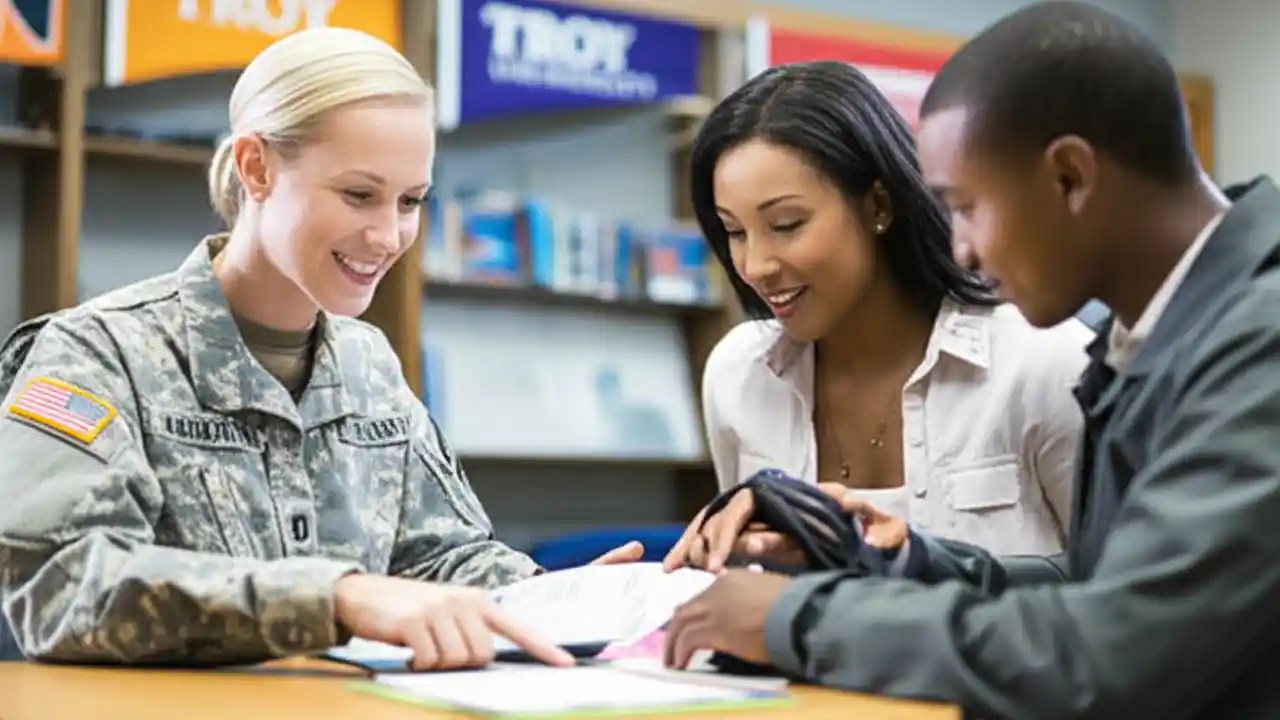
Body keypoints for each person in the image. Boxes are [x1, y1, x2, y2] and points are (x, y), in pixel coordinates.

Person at [661, 3, 1280, 719]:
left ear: (1070, 177)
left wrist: (800, 617)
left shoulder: (1258, 341)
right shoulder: (1154, 335)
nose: (962, 249)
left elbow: (1112, 652)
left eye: (969, 208)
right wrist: (896, 562)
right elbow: (1098, 584)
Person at [0, 27, 640, 669]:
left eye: (411, 201)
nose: (389, 235)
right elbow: (59, 588)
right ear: (256, 168)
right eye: (359, 194)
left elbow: (439, 557)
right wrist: (335, 599)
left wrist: (551, 600)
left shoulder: (369, 364)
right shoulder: (95, 353)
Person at [663, 59, 1093, 573]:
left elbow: (1127, 595)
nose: (755, 266)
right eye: (734, 232)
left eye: (786, 224)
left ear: (878, 204)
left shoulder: (1044, 361)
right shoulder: (739, 375)